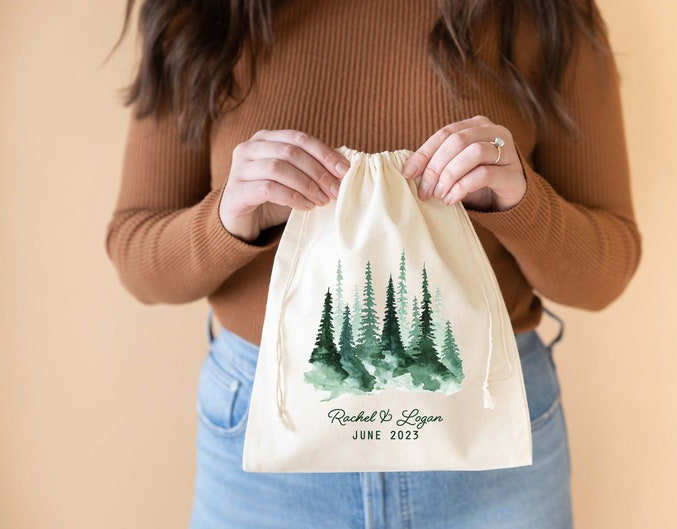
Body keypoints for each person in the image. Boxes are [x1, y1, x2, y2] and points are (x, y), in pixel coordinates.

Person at [106, 0, 641, 527]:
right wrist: (229, 218)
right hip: (267, 438)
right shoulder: (199, 15)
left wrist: (521, 203)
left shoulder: (546, 14)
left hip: (489, 433)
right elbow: (136, 256)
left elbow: (604, 274)